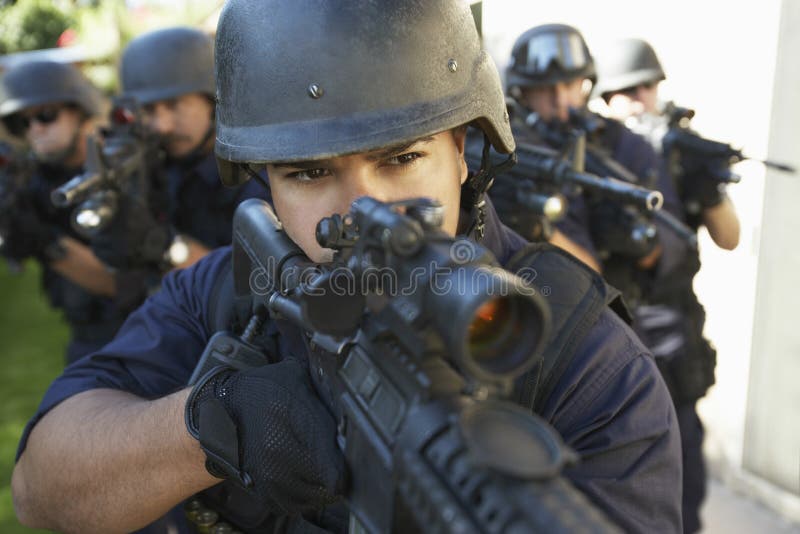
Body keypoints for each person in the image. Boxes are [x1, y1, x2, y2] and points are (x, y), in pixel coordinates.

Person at [11, 3, 681, 533]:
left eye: (400, 159)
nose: (361, 209)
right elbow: (41, 490)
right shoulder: (226, 296)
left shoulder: (578, 353)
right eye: (308, 172)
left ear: (462, 148)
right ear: (263, 182)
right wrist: (214, 427)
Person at [593, 37, 741, 534]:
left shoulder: (679, 149)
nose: (640, 98)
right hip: (609, 339)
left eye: (648, 87)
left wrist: (703, 186)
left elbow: (729, 237)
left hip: (674, 340)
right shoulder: (592, 153)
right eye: (627, 90)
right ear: (606, 99)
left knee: (683, 488)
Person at [0, 60, 128, 363]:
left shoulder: (123, 169)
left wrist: (44, 242)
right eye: (23, 122)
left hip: (144, 326)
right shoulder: (32, 181)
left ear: (80, 111)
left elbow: (120, 283)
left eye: (46, 115)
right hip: (86, 335)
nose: (36, 129)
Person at [117, 26, 267, 262]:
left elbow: (255, 281)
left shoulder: (257, 172)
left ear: (215, 100)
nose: (161, 126)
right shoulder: (163, 164)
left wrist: (164, 245)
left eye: (174, 105)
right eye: (148, 110)